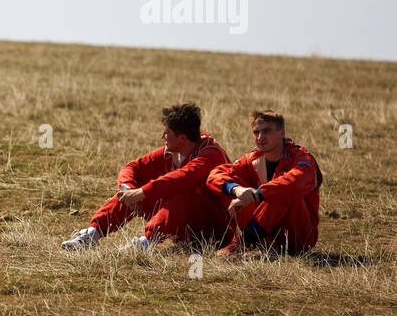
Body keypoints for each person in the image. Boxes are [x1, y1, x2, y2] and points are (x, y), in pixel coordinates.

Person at [62, 103, 230, 251]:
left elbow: (180, 178)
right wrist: (128, 188)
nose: (162, 137)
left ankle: (144, 244)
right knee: (137, 188)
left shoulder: (210, 154)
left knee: (179, 191)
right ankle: (92, 234)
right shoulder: (173, 152)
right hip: (186, 228)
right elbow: (132, 167)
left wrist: (141, 192)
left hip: (216, 229)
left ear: (183, 138)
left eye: (167, 132)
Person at [207, 110, 322, 257]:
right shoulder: (252, 160)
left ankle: (245, 241)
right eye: (256, 132)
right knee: (228, 186)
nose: (260, 137)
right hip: (265, 233)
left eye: (267, 131)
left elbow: (295, 182)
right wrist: (237, 190)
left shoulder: (301, 157)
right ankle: (265, 245)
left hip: (298, 236)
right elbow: (214, 175)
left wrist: (258, 194)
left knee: (282, 190)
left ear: (282, 133)